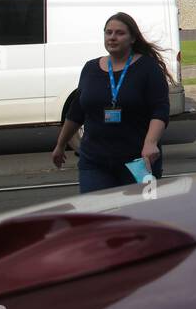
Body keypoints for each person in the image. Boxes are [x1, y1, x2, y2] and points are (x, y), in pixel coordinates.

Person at [52, 11, 173, 193]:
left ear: (133, 38)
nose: (112, 37)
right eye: (108, 33)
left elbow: (160, 110)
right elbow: (76, 111)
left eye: (119, 33)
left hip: (138, 161)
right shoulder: (90, 68)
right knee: (99, 216)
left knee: (138, 218)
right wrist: (60, 145)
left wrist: (151, 142)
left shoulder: (148, 68)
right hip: (95, 161)